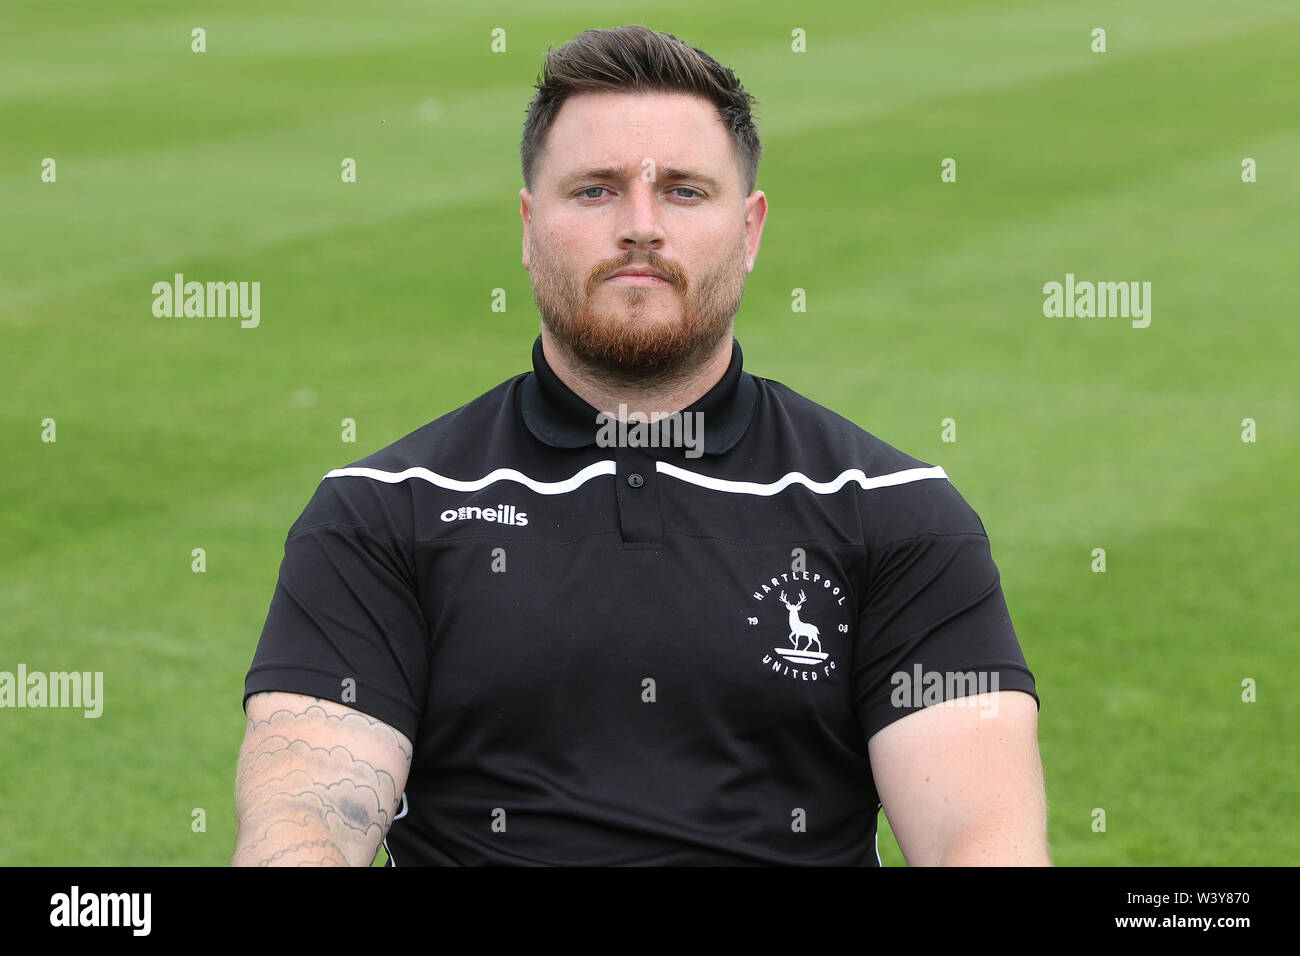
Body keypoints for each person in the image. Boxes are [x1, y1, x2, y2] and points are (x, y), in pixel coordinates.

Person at [233, 24, 1048, 867]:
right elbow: (304, 822)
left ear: (751, 229)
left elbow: (980, 837)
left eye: (686, 192)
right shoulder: (382, 513)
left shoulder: (897, 513)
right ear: (527, 224)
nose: (641, 226)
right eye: (596, 191)